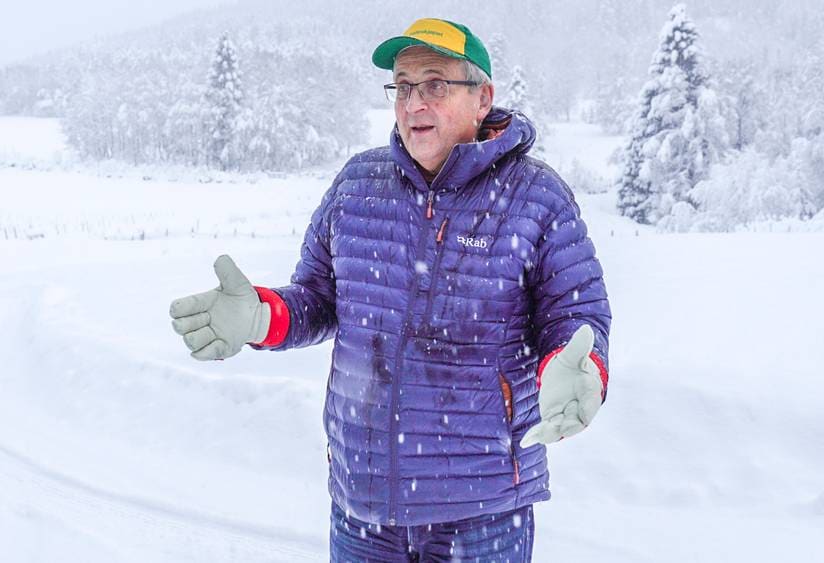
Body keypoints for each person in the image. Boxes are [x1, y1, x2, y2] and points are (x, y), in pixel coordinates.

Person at [169, 17, 611, 562]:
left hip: (482, 509)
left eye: (434, 84)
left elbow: (575, 315)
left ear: (483, 98)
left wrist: (579, 370)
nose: (413, 103)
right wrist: (262, 317)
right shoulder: (359, 185)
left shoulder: (536, 197)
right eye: (402, 86)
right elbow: (318, 298)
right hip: (362, 504)